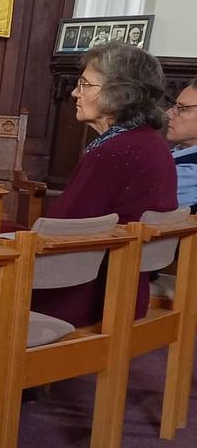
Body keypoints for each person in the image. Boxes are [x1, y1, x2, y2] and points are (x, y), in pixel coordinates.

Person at [32, 42, 177, 327]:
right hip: (124, 288)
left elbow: (62, 230)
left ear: (119, 93)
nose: (74, 92)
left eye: (85, 84)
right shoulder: (151, 143)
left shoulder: (113, 151)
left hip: (82, 295)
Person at [165, 77, 197, 212]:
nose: (168, 114)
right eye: (174, 107)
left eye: (182, 109)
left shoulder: (191, 169)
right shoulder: (175, 153)